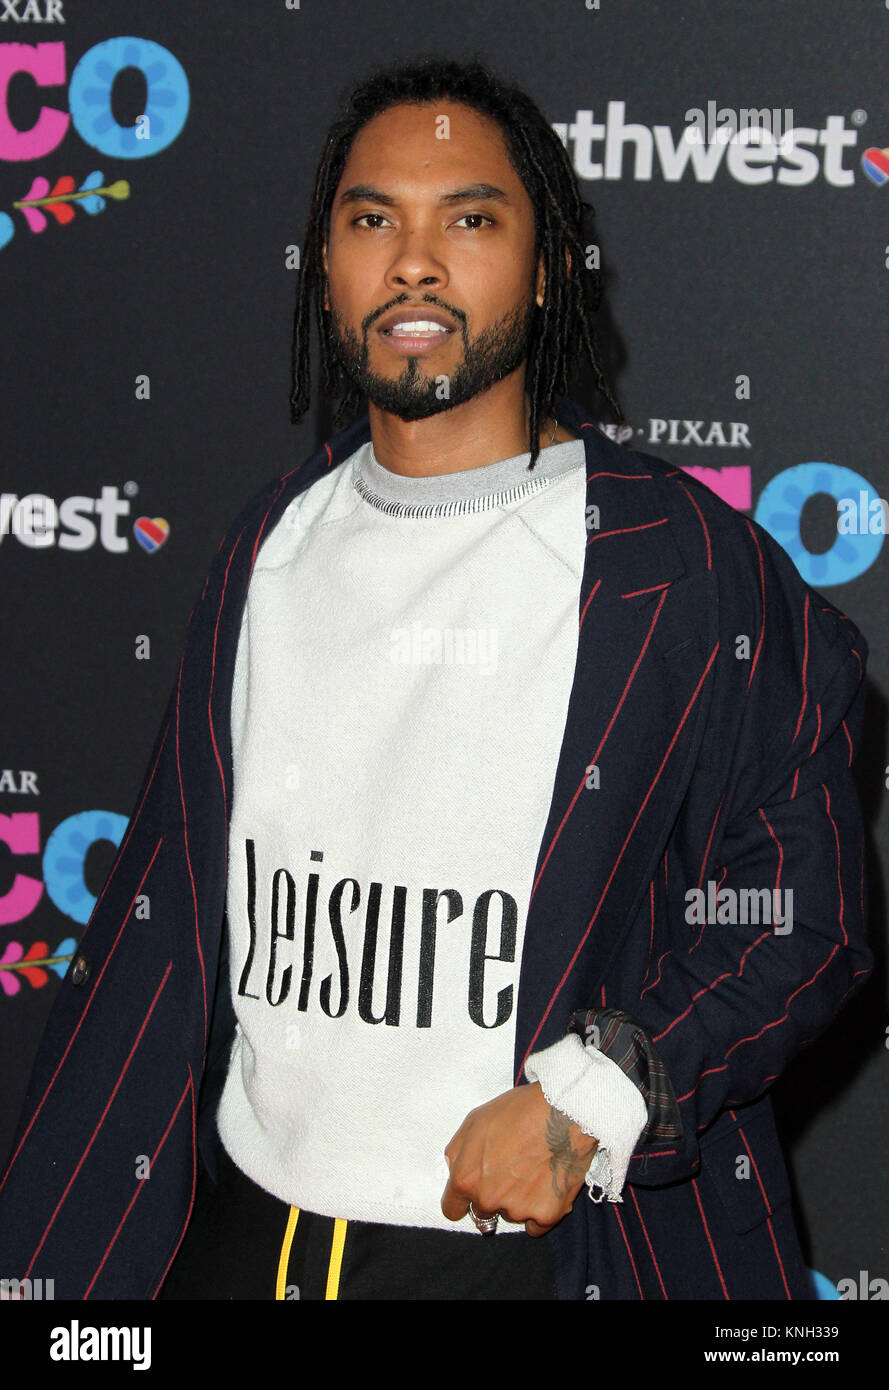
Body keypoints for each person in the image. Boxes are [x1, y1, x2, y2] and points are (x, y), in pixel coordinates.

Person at [0, 56, 870, 1302]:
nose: (414, 264)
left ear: (550, 262)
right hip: (251, 1234)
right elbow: (158, 941)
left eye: (468, 218)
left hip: (534, 1256)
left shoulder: (673, 565)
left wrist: (599, 1092)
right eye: (371, 222)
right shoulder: (273, 541)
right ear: (326, 266)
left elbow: (805, 903)